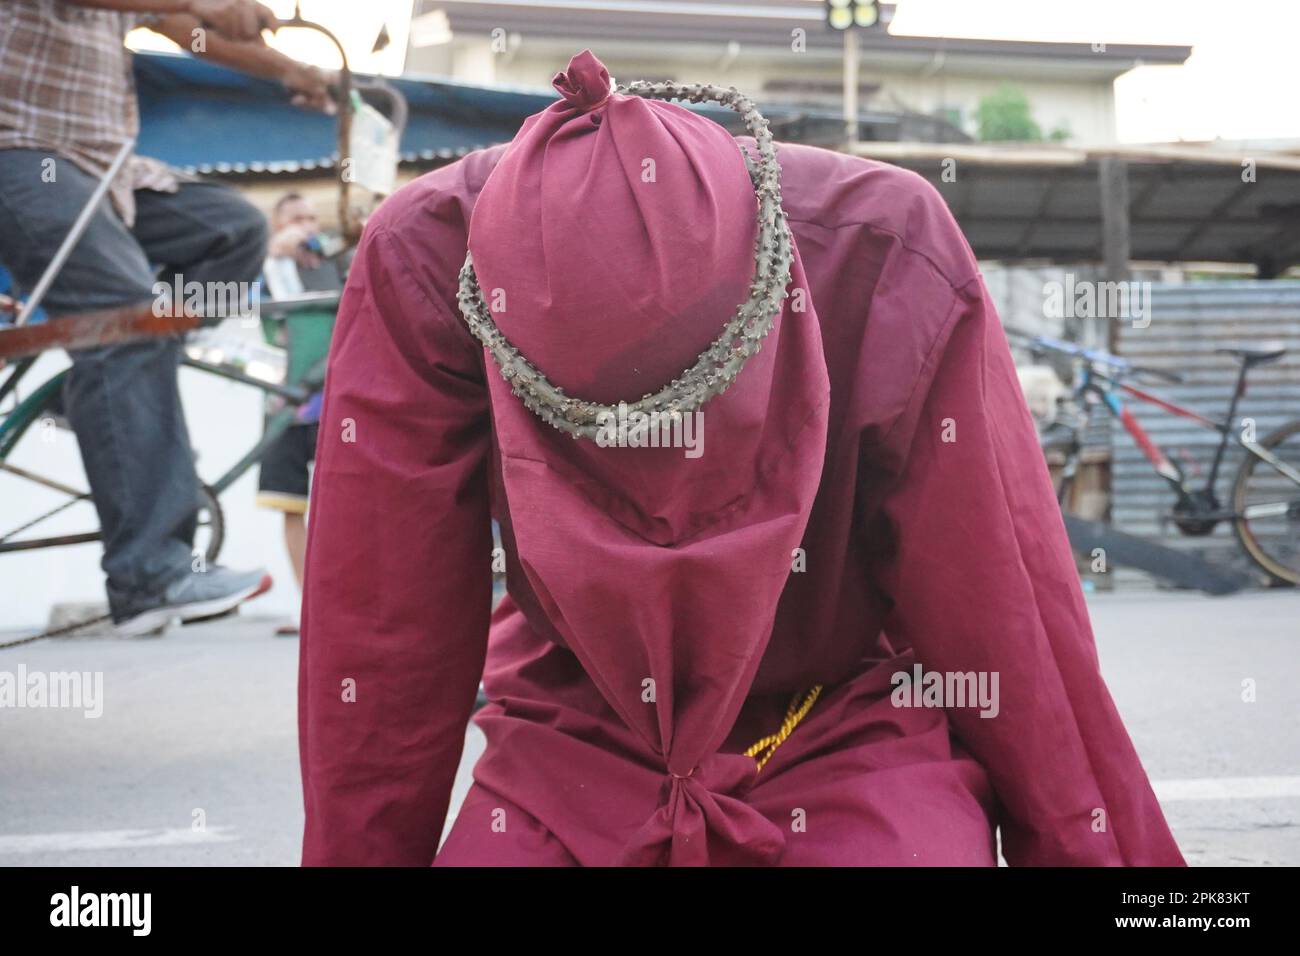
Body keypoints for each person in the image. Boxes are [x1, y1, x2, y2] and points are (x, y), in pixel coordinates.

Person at [298, 51, 1184, 866]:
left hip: (840, 708)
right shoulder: (425, 255)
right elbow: (383, 627)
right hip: (579, 716)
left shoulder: (883, 243)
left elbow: (1001, 600)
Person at [0, 0, 335, 636]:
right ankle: (149, 574)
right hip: (21, 155)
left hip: (106, 170)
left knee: (233, 232)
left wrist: (294, 72)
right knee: (127, 319)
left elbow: (195, 34)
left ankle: (113, 399)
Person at [257, 192, 344, 636]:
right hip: (284, 404)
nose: (307, 226)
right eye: (295, 219)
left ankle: (344, 601)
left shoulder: (336, 262)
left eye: (312, 218)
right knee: (292, 504)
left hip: (337, 400)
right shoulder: (265, 269)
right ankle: (307, 604)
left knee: (347, 503)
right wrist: (274, 255)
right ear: (277, 226)